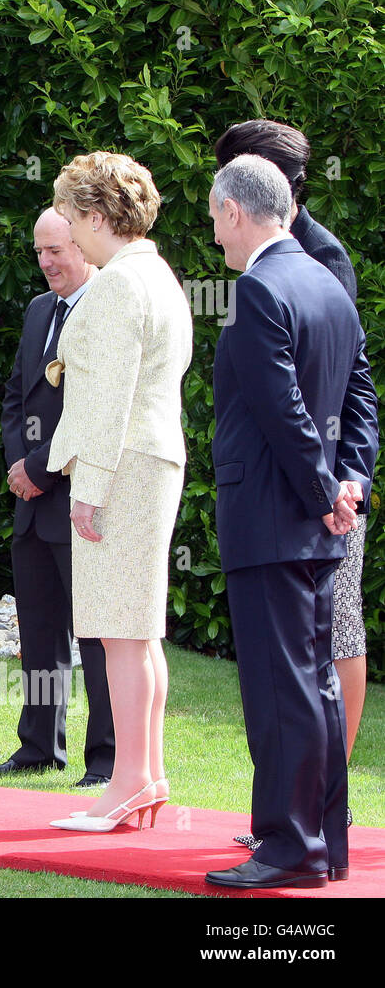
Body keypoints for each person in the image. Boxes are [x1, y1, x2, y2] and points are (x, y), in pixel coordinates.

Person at [204, 155, 377, 890]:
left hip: (274, 518)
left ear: (238, 212)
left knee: (280, 688)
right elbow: (362, 392)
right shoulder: (325, 282)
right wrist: (351, 483)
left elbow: (282, 410)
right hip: (317, 520)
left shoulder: (257, 289)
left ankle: (287, 848)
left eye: (215, 219)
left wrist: (320, 489)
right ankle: (323, 842)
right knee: (317, 685)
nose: (215, 236)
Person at [42, 152, 193, 833]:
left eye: (73, 219)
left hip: (122, 464)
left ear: (100, 216)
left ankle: (130, 778)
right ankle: (146, 774)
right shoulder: (155, 274)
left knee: (119, 633)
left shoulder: (119, 285)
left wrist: (89, 488)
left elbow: (107, 396)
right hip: (149, 457)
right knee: (138, 630)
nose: (70, 234)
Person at [0, 208, 115, 788]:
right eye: (39, 253)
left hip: (82, 501)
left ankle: (104, 760)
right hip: (32, 502)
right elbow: (16, 396)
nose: (48, 262)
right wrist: (16, 464)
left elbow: (93, 412)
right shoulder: (37, 312)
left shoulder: (107, 310)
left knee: (98, 636)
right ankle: (38, 746)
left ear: (83, 245)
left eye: (57, 250)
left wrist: (40, 469)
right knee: (39, 630)